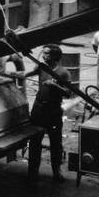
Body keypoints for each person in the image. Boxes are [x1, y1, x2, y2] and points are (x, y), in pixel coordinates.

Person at [27, 45, 74, 184]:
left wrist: (55, 86)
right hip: (38, 109)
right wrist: (19, 75)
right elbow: (29, 73)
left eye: (47, 54)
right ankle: (32, 172)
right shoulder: (42, 67)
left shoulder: (64, 73)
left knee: (56, 143)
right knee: (35, 142)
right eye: (44, 53)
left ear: (55, 56)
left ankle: (56, 171)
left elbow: (68, 93)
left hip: (53, 111)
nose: (43, 56)